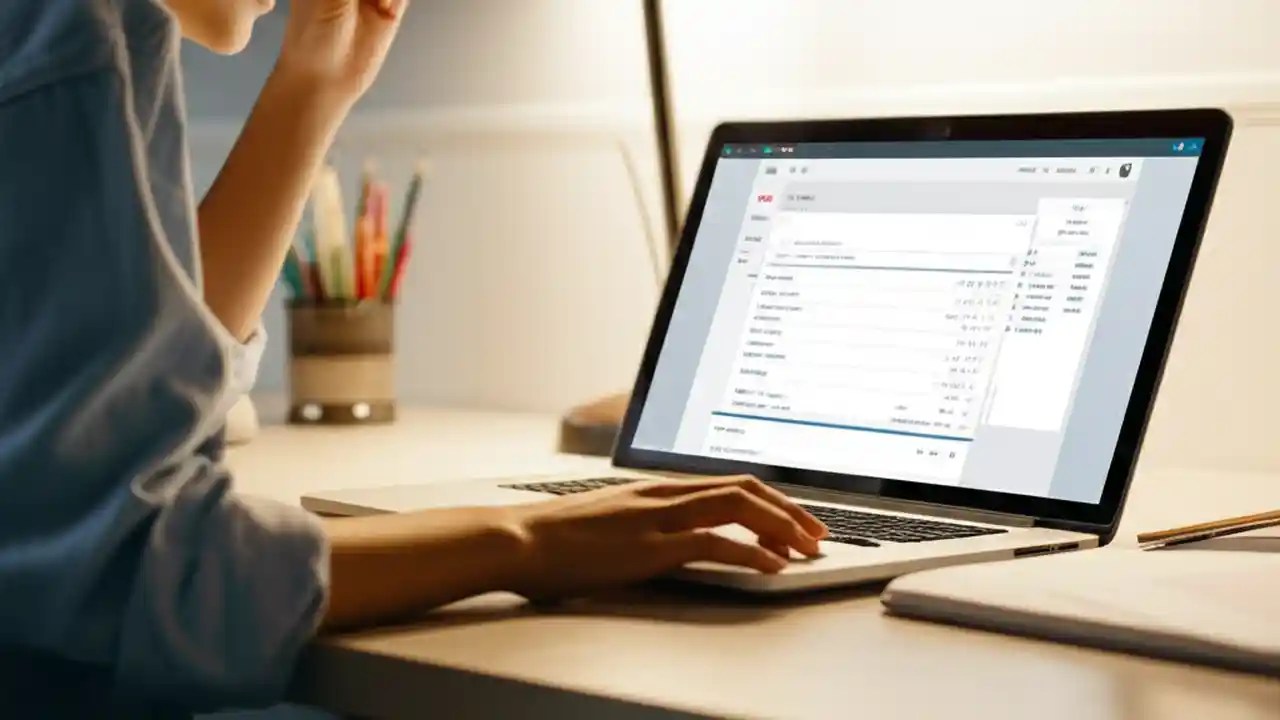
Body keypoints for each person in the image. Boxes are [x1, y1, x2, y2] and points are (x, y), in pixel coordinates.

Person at [0, 0, 828, 715]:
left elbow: (121, 388)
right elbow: (122, 574)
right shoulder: (75, 37)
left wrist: (314, 87)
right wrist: (528, 540)